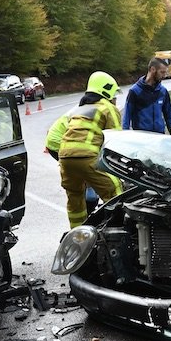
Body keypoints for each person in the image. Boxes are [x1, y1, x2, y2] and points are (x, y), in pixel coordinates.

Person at [56, 71, 123, 227]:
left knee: (75, 198)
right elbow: (116, 141)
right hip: (87, 157)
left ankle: (77, 236)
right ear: (106, 91)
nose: (115, 99)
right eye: (114, 95)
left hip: (65, 158)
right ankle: (119, 229)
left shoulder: (79, 110)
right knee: (115, 190)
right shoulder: (108, 107)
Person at [122, 57, 171, 133]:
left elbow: (169, 117)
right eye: (162, 72)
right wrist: (125, 136)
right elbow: (126, 117)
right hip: (142, 138)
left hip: (160, 137)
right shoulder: (135, 91)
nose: (164, 75)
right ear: (153, 69)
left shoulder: (163, 91)